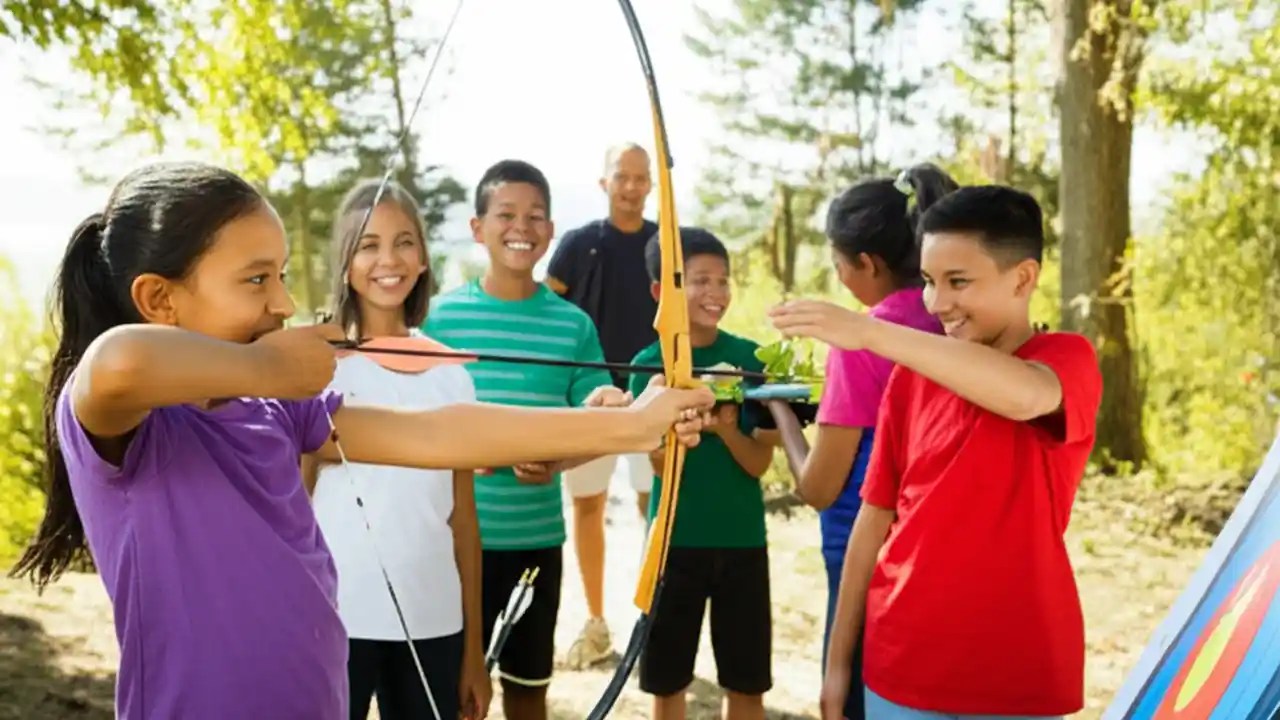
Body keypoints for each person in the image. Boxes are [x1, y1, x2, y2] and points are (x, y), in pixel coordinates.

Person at [8, 161, 716, 720]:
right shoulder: (128, 431)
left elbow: (440, 432)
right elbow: (116, 362)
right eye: (256, 280)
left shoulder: (273, 411)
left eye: (281, 276)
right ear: (160, 300)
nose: (283, 302)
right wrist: (265, 364)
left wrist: (632, 424)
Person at [770, 186, 1102, 720]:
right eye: (928, 281)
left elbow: (1024, 396)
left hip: (1015, 672)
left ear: (1023, 278)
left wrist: (869, 332)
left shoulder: (1065, 359)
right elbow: (872, 519)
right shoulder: (909, 380)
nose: (937, 303)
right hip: (898, 668)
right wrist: (837, 666)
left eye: (958, 282)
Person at [424, 159, 623, 720]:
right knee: (454, 696)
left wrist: (559, 459)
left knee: (528, 691)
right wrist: (459, 456)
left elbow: (599, 418)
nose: (522, 227)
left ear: (551, 230)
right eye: (506, 214)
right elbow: (413, 424)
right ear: (477, 227)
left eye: (536, 216)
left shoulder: (573, 325)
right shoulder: (438, 320)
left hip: (536, 543)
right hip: (449, 545)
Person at [765, 165, 955, 720]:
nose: (840, 275)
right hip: (944, 561)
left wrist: (780, 413)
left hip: (866, 571)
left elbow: (820, 487)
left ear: (867, 263)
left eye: (839, 262)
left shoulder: (858, 340)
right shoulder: (959, 320)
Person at [305, 179, 489, 720]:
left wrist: (472, 651)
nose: (389, 259)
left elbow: (464, 523)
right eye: (368, 245)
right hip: (336, 617)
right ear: (344, 263)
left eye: (405, 241)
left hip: (433, 618)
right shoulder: (317, 365)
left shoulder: (452, 372)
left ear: (425, 258)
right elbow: (293, 504)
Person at [628, 227, 780, 720]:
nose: (716, 293)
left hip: (742, 544)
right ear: (662, 293)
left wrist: (726, 427)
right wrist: (672, 424)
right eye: (700, 281)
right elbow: (654, 463)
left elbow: (759, 463)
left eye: (723, 280)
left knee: (747, 682)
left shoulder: (751, 360)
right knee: (668, 682)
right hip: (674, 544)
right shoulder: (649, 367)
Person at [545, 141, 659, 669]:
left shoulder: (667, 244)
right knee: (587, 507)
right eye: (622, 177)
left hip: (651, 395)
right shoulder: (580, 243)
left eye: (640, 178)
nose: (631, 187)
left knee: (651, 506)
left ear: (652, 183)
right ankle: (595, 624)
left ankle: (652, 615)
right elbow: (548, 302)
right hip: (590, 395)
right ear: (604, 182)